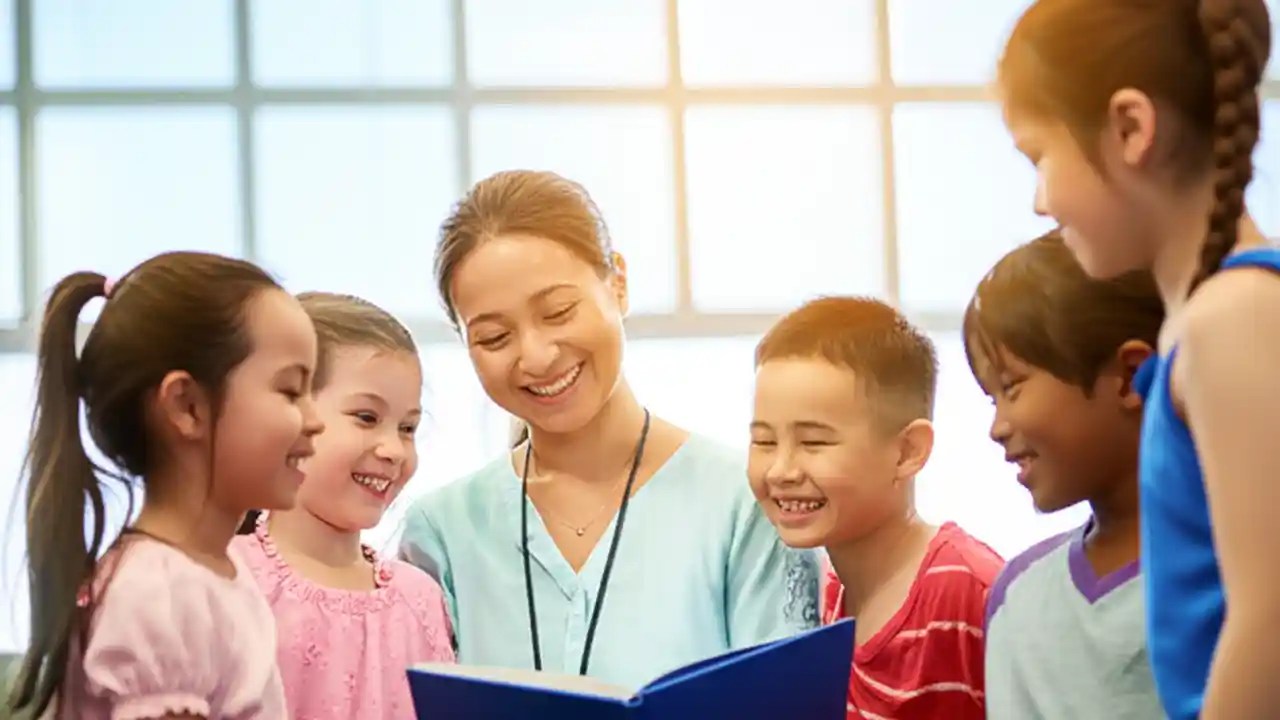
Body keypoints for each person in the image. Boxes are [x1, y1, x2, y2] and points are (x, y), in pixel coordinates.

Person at [399, 169, 819, 688]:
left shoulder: (745, 502)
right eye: (494, 336)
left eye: (558, 311)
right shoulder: (441, 533)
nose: (536, 355)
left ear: (617, 282)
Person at [999, 2, 1280, 717]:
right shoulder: (1209, 320)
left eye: (1039, 157)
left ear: (1129, 128)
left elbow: (1269, 617)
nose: (1038, 202)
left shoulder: (1234, 315)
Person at [6, 251, 323, 719]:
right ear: (187, 407)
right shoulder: (159, 591)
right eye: (290, 391)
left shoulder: (217, 571)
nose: (315, 421)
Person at [748, 295, 1003, 720]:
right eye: (764, 441)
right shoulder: (826, 593)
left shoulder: (966, 591)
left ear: (907, 451)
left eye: (814, 442)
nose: (781, 469)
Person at [965, 231, 1164, 717]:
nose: (997, 427)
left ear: (1132, 375)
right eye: (992, 399)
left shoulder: (1241, 574)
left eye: (1012, 388)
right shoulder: (1019, 596)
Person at [232, 292, 454, 719]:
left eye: (408, 427)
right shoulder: (227, 581)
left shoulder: (420, 601)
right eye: (367, 417)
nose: (393, 449)